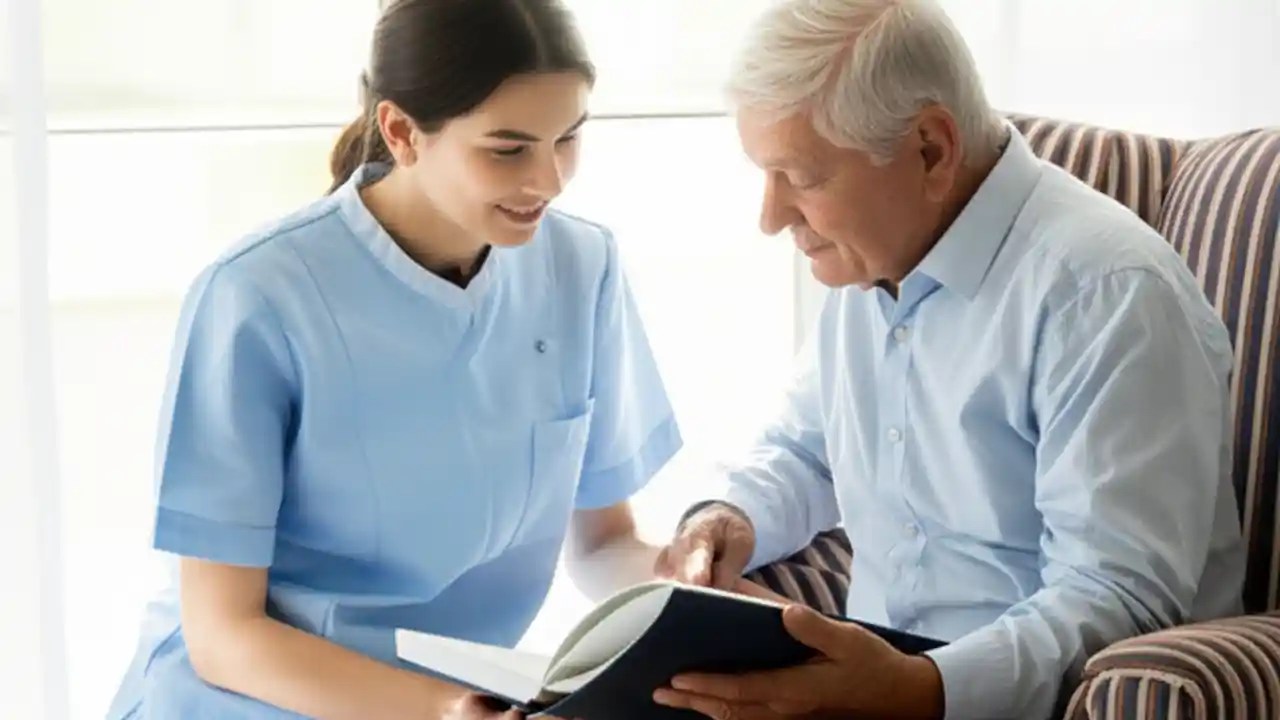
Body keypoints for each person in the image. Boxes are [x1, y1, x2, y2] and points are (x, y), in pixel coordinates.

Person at [652, 1, 1246, 718]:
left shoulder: (1105, 291)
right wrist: (729, 515)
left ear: (931, 148)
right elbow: (806, 454)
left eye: (800, 178)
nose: (771, 217)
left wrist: (918, 690)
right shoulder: (872, 260)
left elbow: (1117, 597)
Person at [105, 1, 681, 718]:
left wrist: (684, 584)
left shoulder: (582, 266)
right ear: (402, 132)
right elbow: (224, 635)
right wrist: (444, 711)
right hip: (256, 694)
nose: (549, 180)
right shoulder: (258, 297)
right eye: (508, 149)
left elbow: (603, 546)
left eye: (567, 138)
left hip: (473, 699)